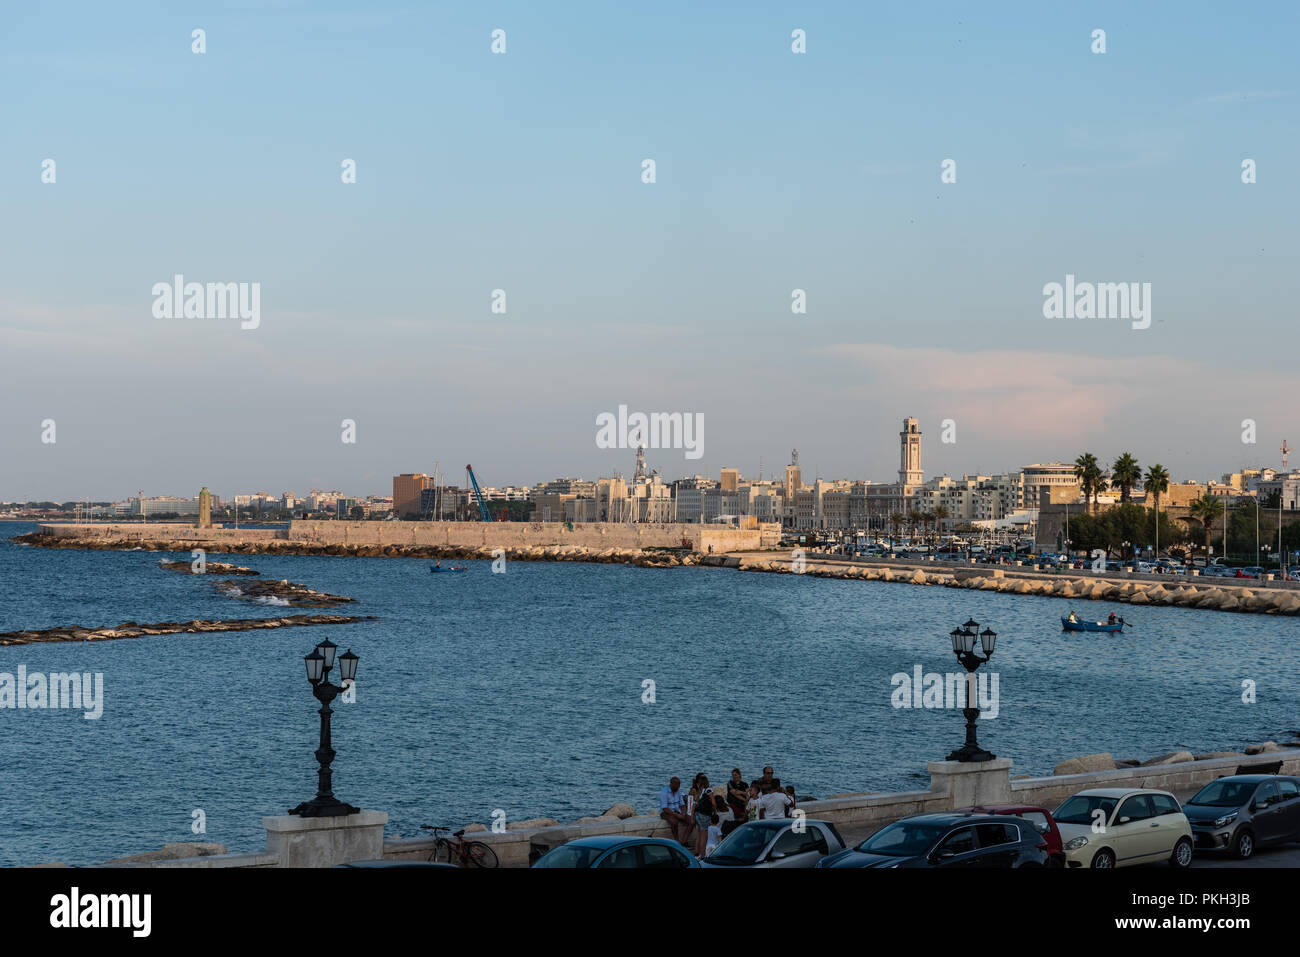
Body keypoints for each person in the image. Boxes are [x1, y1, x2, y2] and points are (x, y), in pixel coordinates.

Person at [659, 776, 691, 844]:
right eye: (677, 784)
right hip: (666, 812)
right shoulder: (664, 792)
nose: (678, 786)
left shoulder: (678, 791)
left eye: (679, 784)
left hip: (677, 811)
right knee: (674, 822)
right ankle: (677, 841)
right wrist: (676, 815)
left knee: (691, 821)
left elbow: (682, 805)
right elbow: (665, 808)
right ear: (671, 784)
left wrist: (683, 813)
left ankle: (684, 841)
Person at [690, 774, 714, 857]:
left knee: (699, 834)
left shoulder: (699, 792)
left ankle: (697, 853)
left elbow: (694, 804)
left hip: (697, 814)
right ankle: (703, 855)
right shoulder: (708, 790)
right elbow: (714, 803)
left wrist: (692, 816)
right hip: (705, 815)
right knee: (704, 836)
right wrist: (715, 811)